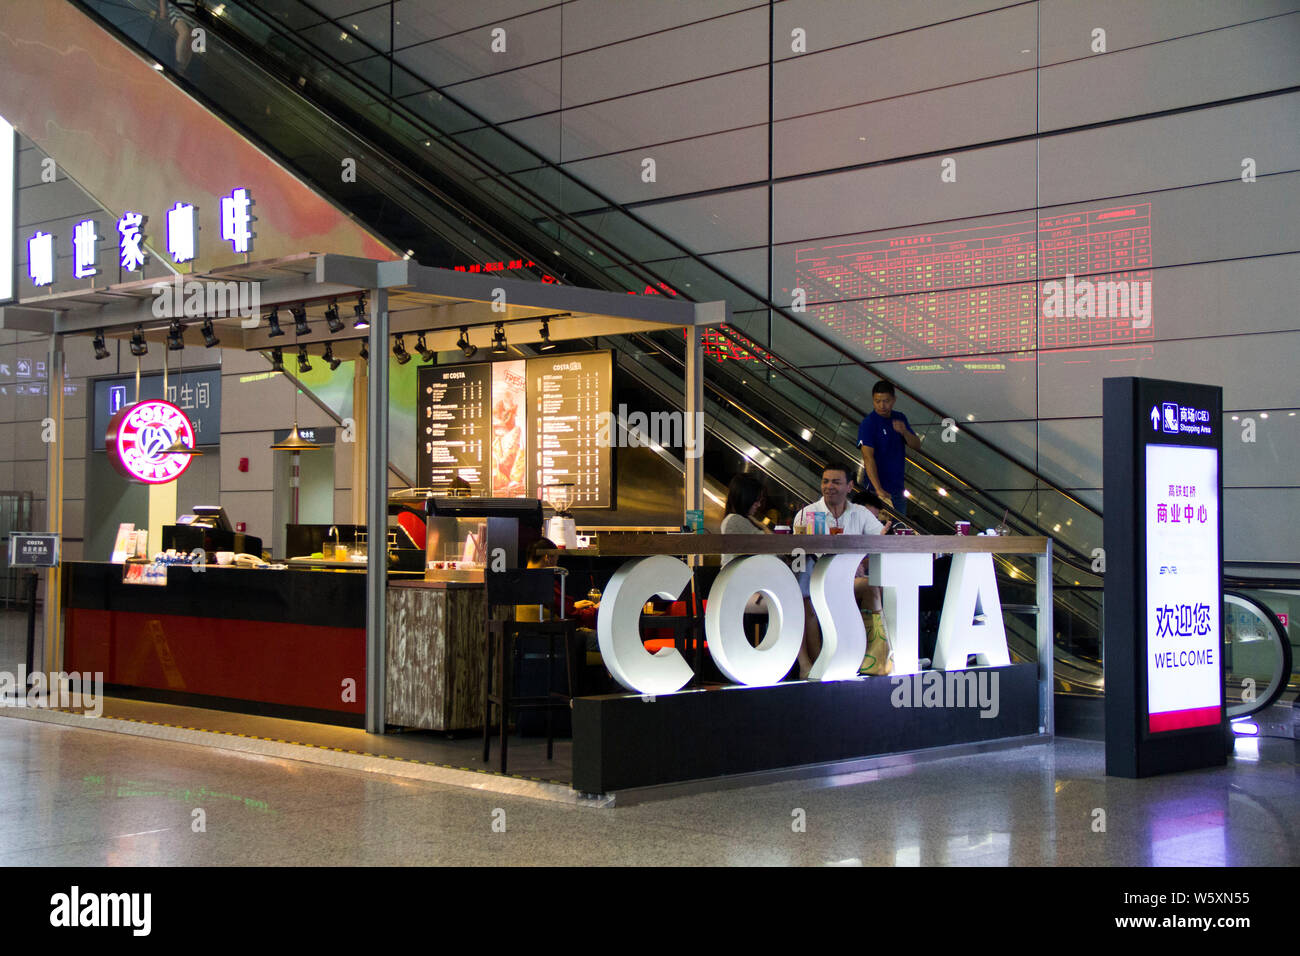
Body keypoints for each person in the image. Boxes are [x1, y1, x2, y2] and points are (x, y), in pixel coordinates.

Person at [792, 464, 886, 677]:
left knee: (873, 586)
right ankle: (817, 665)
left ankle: (875, 657)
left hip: (848, 582)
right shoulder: (807, 514)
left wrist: (861, 559)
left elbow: (880, 538)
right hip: (818, 580)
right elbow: (799, 556)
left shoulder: (860, 513)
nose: (829, 486)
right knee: (807, 595)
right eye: (825, 481)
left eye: (836, 482)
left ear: (850, 486)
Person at [858, 380, 921, 515]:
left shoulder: (899, 418)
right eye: (877, 401)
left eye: (886, 401)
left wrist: (904, 432)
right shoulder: (868, 423)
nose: (882, 405)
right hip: (874, 491)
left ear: (894, 400)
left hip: (897, 490)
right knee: (875, 532)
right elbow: (868, 457)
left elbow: (916, 445)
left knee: (899, 531)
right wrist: (878, 488)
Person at [720, 473, 771, 566]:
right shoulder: (735, 520)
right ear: (745, 498)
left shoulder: (734, 519)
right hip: (738, 577)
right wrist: (763, 526)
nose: (758, 505)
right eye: (756, 500)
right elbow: (772, 545)